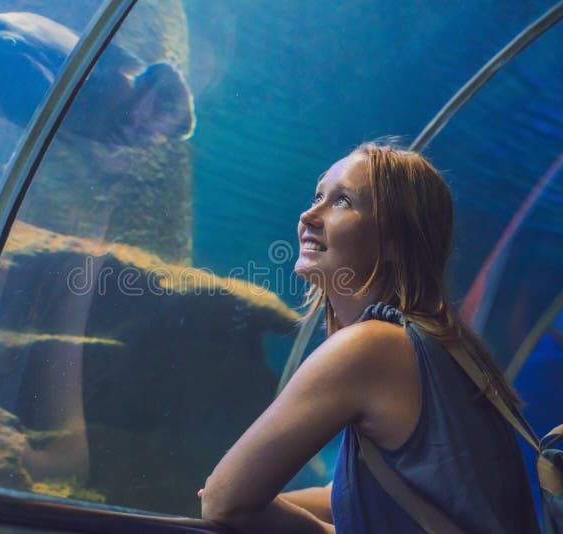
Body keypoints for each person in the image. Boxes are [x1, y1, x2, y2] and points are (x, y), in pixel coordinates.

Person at [198, 142, 540, 533]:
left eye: (342, 201)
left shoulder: (371, 347)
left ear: (397, 239)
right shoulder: (447, 348)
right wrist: (255, 495)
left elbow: (224, 504)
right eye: (317, 197)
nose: (309, 215)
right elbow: (350, 494)